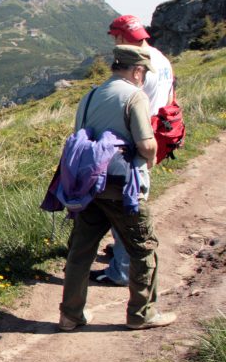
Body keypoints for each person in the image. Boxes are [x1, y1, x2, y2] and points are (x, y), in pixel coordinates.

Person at [59, 44, 176, 331]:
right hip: (122, 190)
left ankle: (69, 316)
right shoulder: (134, 97)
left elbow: (79, 136)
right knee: (143, 248)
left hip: (89, 190)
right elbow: (146, 144)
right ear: (136, 70)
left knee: (81, 251)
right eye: (143, 72)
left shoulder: (89, 96)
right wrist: (149, 160)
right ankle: (142, 314)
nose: (144, 78)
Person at [92, 15, 176, 286]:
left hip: (136, 140)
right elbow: (171, 98)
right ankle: (123, 252)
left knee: (124, 200)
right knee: (133, 199)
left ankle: (122, 270)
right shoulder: (161, 58)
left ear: (120, 37)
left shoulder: (136, 67)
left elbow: (128, 102)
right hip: (154, 133)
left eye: (114, 36)